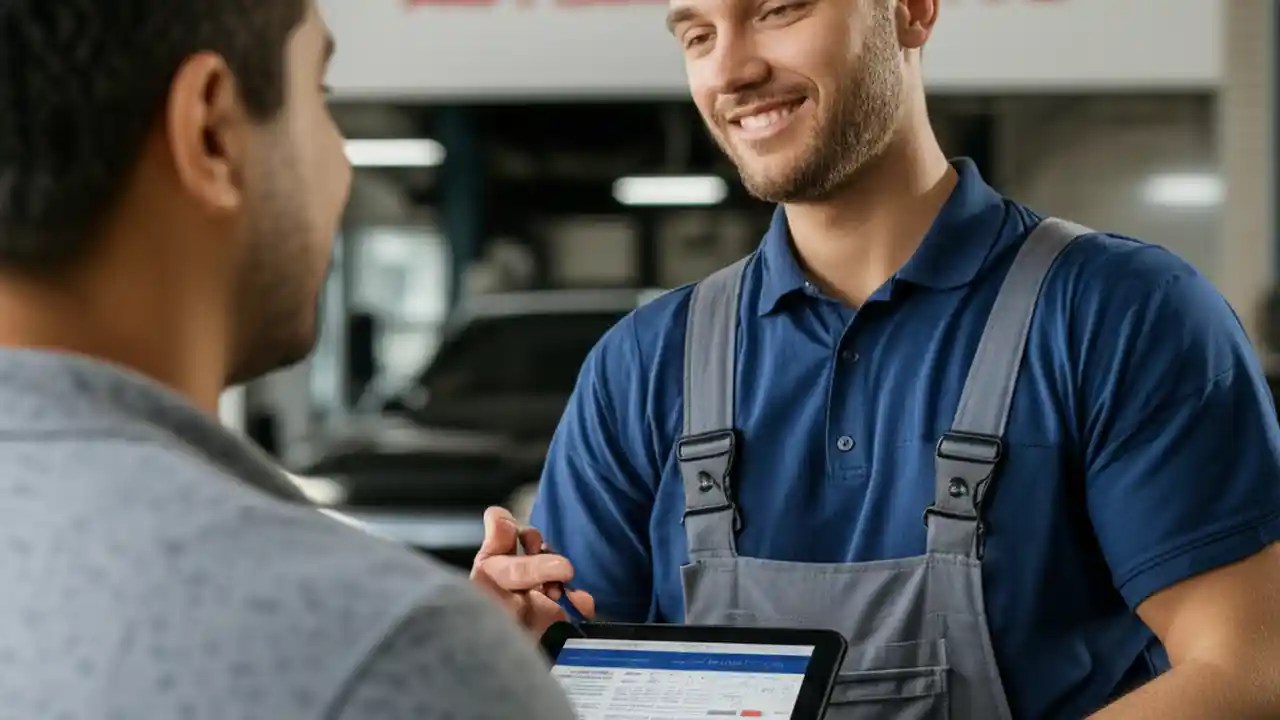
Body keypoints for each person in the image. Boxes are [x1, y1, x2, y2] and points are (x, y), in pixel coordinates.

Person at [470, 0, 1280, 718]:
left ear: (913, 12)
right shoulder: (641, 366)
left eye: (780, 10)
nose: (733, 67)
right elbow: (587, 681)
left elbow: (1246, 668)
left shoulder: (1121, 313)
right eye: (698, 32)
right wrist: (505, 658)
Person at [0, 1, 575, 718]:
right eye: (322, 99)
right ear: (211, 134)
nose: (340, 165)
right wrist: (450, 669)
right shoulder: (385, 648)